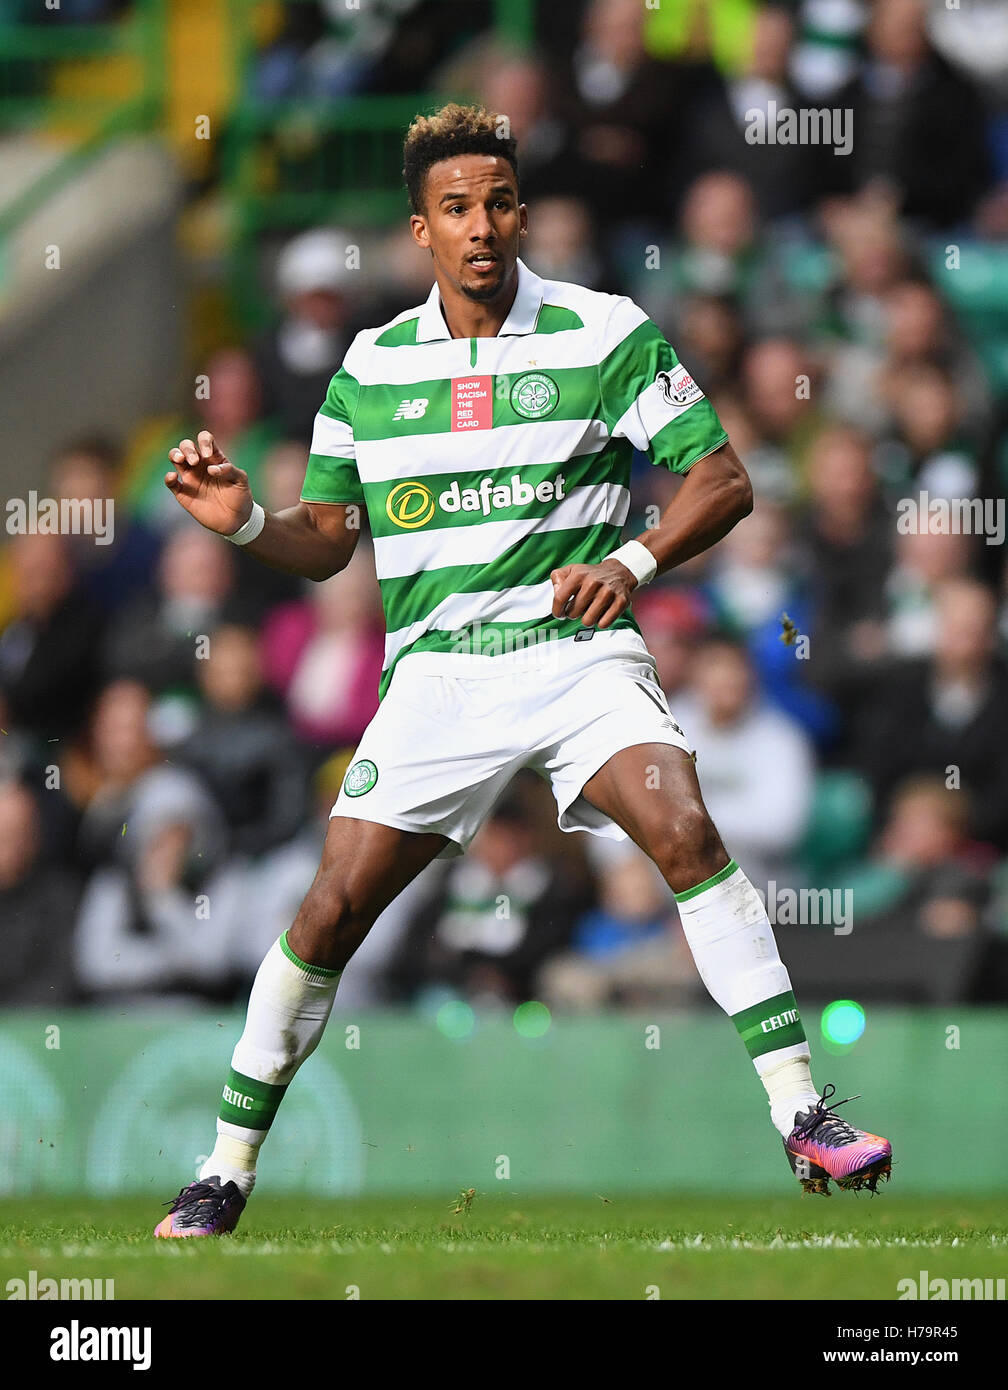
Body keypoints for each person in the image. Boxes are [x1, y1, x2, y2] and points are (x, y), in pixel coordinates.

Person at [153, 102, 891, 1238]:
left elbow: (725, 478)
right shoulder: (368, 367)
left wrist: (634, 560)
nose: (481, 225)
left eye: (498, 202)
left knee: (686, 828)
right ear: (421, 231)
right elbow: (326, 540)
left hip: (578, 653)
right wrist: (247, 521)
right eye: (457, 208)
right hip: (441, 675)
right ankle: (224, 1167)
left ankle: (803, 1114)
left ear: (523, 215)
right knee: (328, 912)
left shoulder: (607, 333)